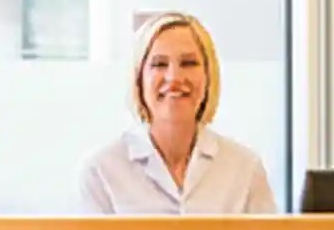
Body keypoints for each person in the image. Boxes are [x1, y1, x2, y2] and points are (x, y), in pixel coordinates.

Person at [78, 12, 277, 215]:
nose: (174, 77)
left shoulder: (245, 169)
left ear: (208, 77)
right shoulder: (101, 170)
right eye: (159, 64)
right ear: (139, 79)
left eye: (189, 63)